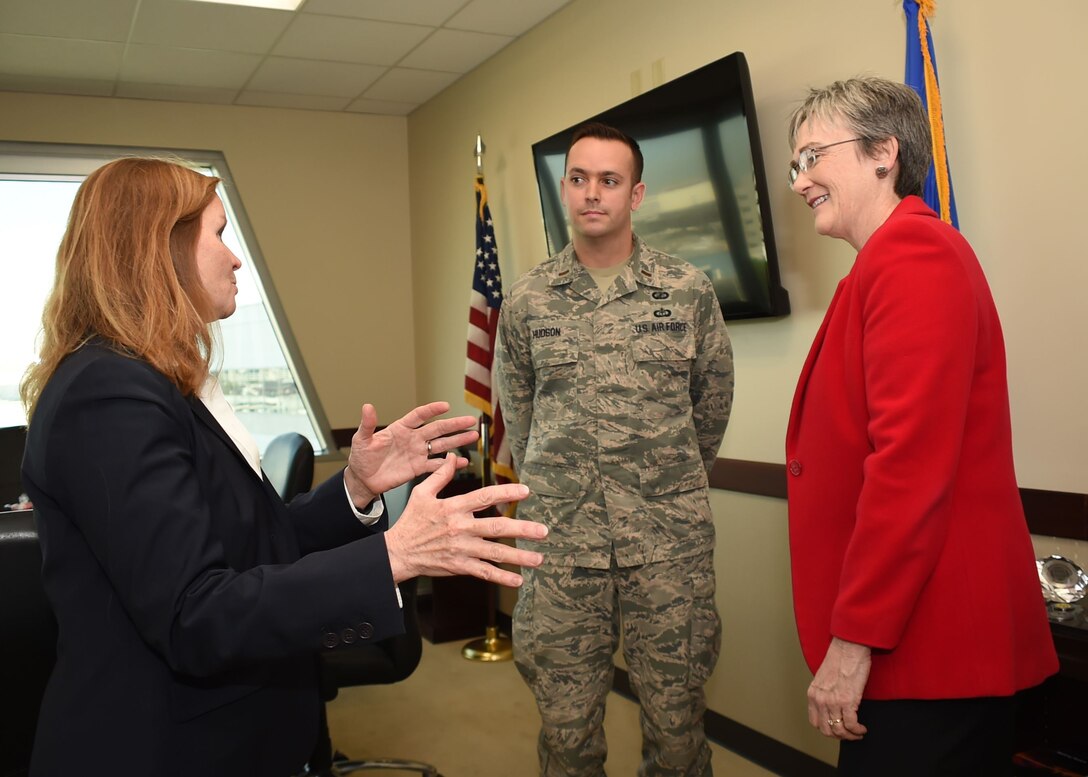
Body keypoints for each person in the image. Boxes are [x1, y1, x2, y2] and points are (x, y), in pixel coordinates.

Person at [18, 157, 548, 777]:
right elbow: (195, 614)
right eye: (218, 234)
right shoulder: (109, 395)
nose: (234, 257)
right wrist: (394, 556)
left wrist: (354, 487)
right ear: (155, 250)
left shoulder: (156, 380)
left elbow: (252, 546)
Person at [784, 77, 1058, 775]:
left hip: (930, 643)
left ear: (884, 152)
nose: (800, 180)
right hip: (911, 641)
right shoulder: (876, 266)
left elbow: (908, 470)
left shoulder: (915, 255)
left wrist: (854, 639)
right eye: (795, 164)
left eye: (814, 156)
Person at [496, 122, 733, 776]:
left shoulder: (686, 291)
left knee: (677, 730)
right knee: (567, 736)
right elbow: (521, 417)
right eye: (578, 178)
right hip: (564, 548)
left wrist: (665, 487)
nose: (591, 193)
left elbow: (709, 407)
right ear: (564, 190)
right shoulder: (526, 300)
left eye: (609, 179)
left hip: (667, 548)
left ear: (637, 194)